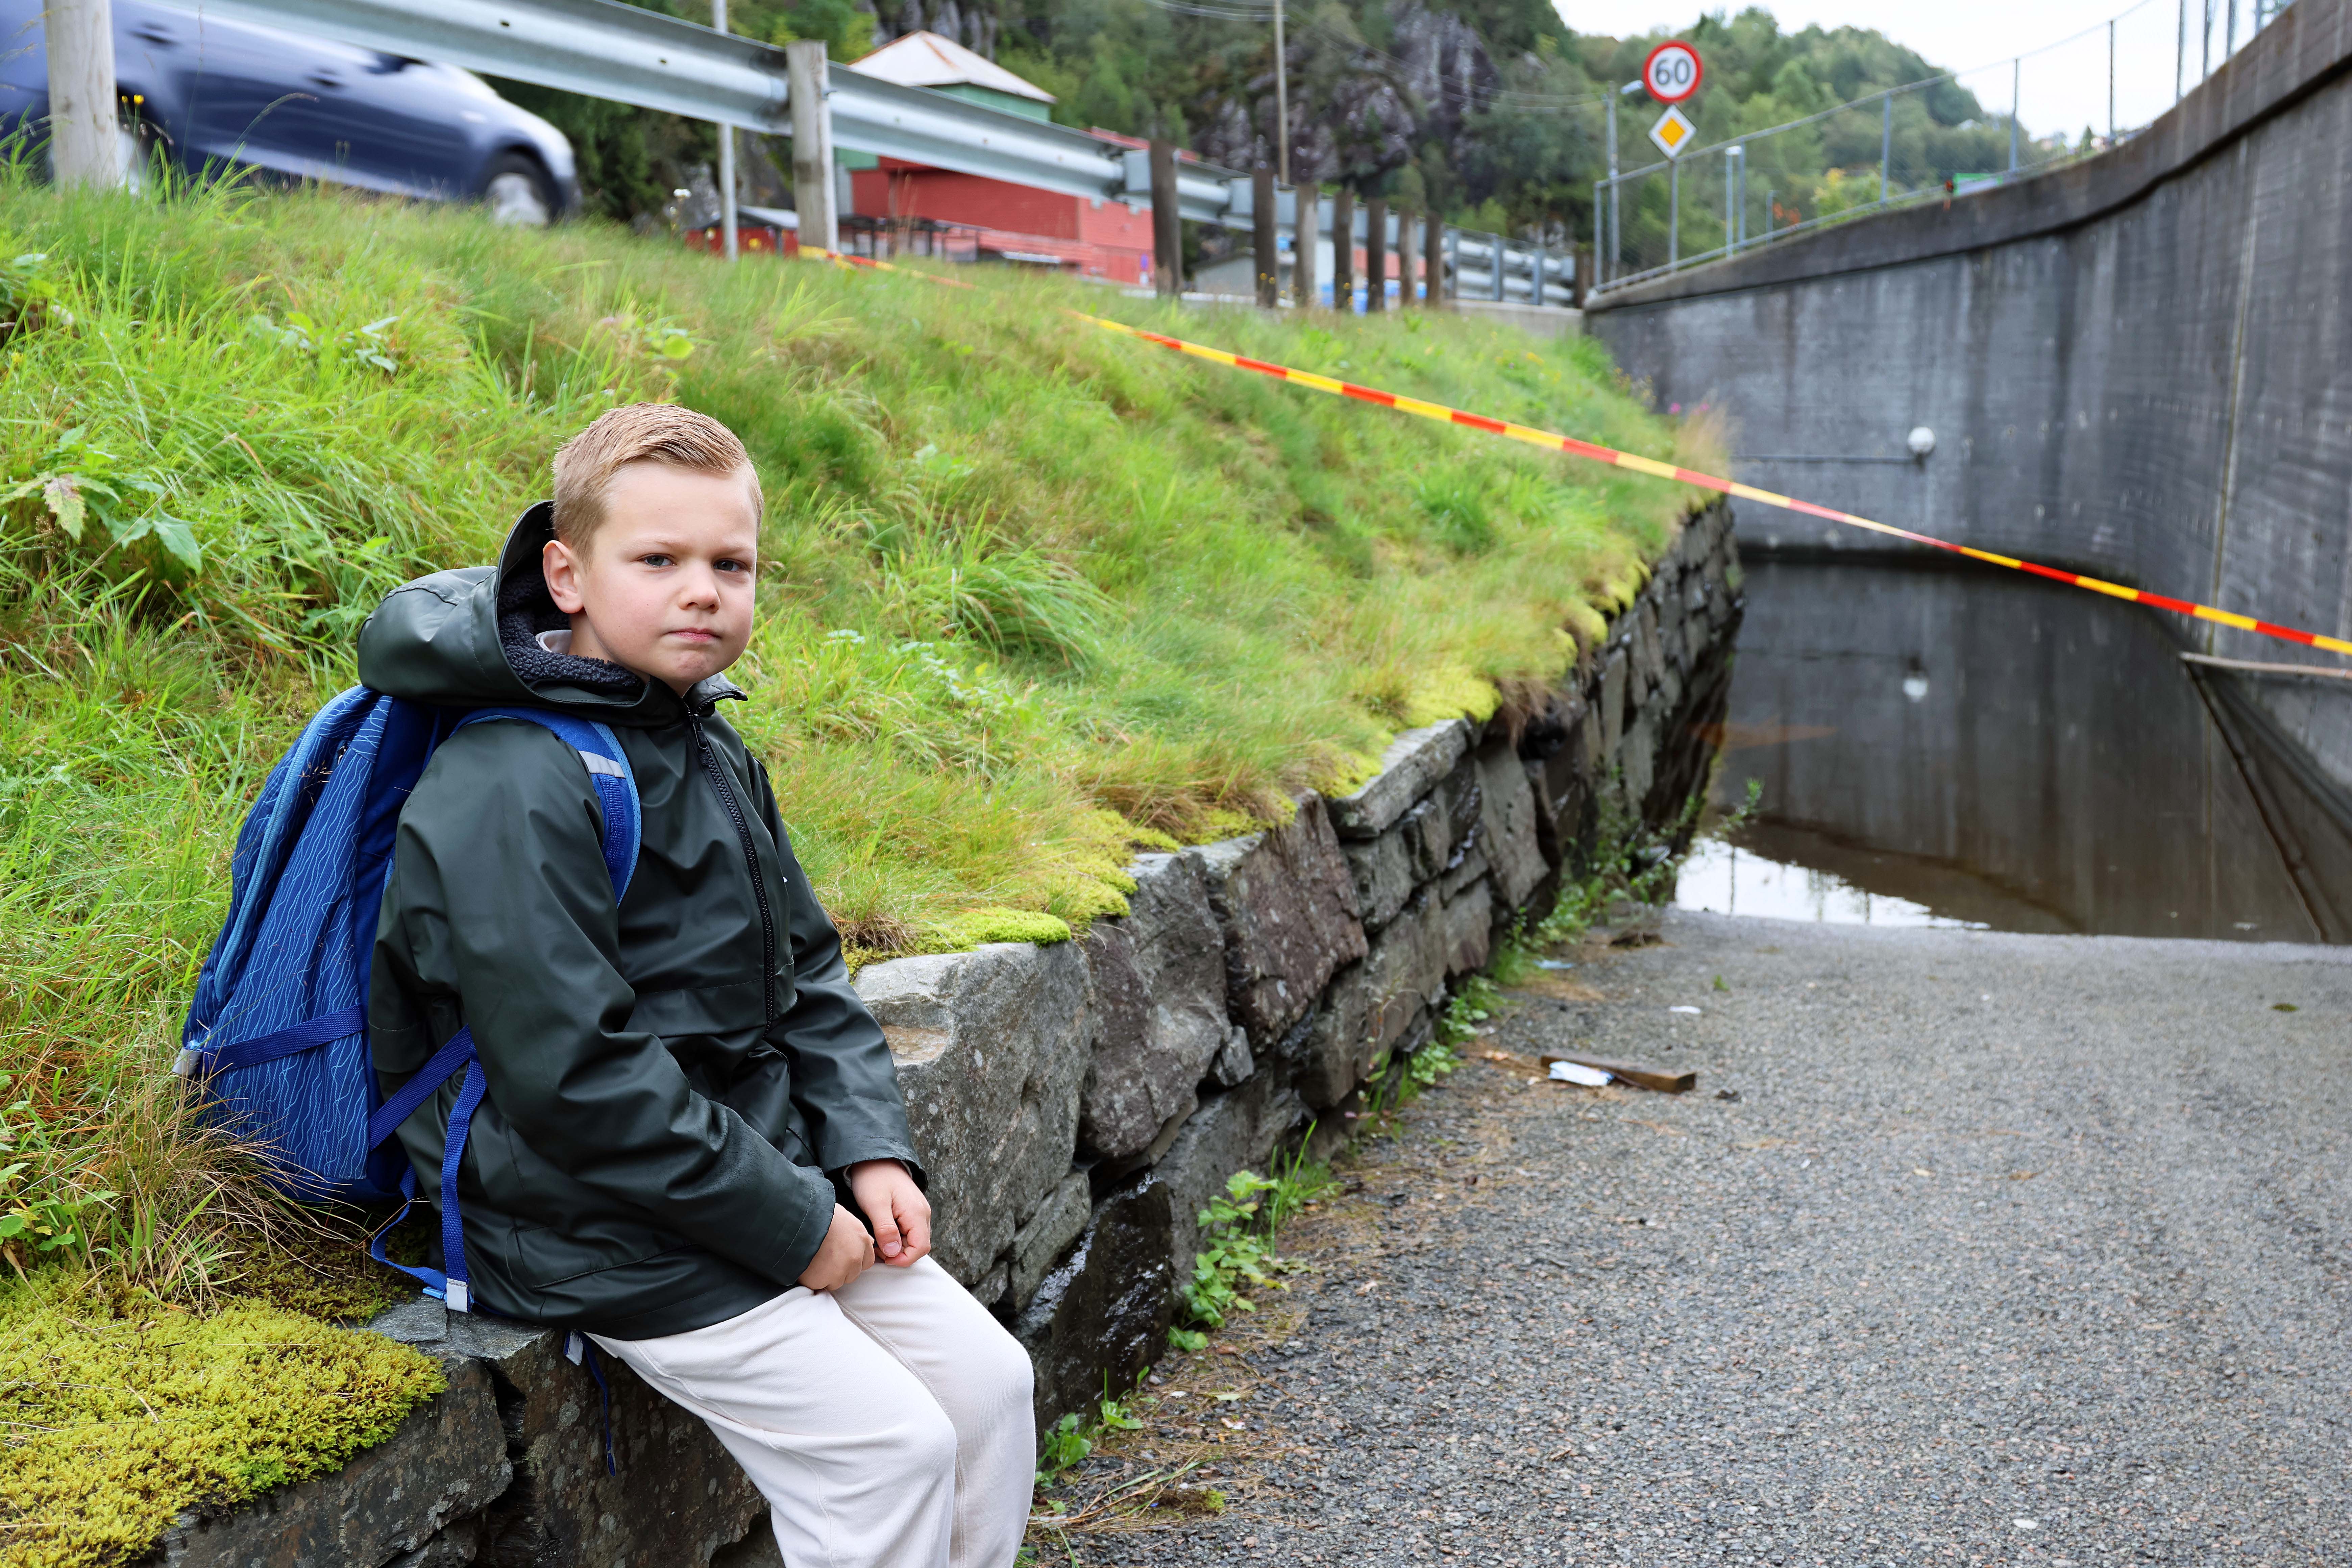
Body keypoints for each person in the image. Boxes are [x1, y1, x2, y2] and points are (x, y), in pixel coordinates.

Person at [361, 402, 1034, 1568]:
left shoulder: (701, 740)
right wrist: (790, 1223)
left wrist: (866, 1149)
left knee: (987, 1386)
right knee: (887, 1451)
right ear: (566, 575)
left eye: (732, 565)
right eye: (659, 560)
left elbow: (805, 972)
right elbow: (573, 1078)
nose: (702, 592)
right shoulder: (512, 780)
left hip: (732, 1169)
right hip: (579, 1213)